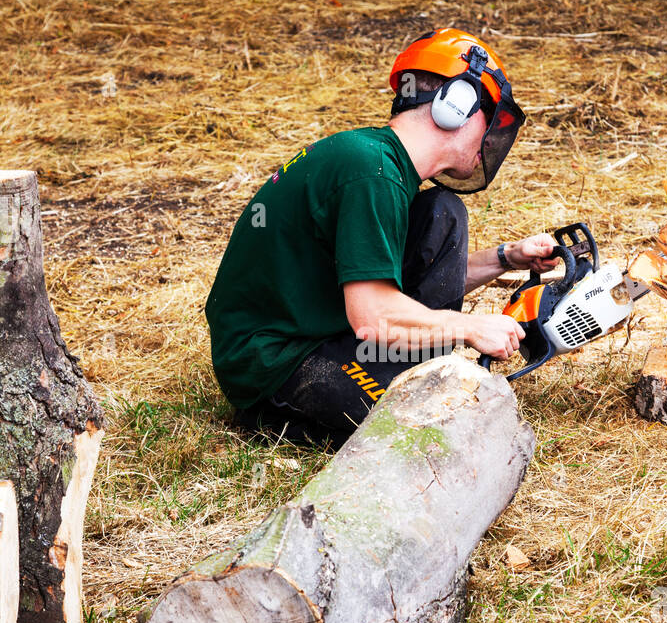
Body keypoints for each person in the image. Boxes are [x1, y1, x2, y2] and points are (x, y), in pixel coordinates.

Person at [205, 27, 558, 446]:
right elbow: (374, 319)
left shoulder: (377, 162)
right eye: (490, 118)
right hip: (278, 360)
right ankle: (278, 416)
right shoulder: (372, 174)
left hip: (325, 327)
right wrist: (469, 327)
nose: (491, 137)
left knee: (443, 214)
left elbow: (389, 275)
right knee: (431, 416)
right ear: (456, 105)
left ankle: (397, 376)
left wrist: (506, 257)